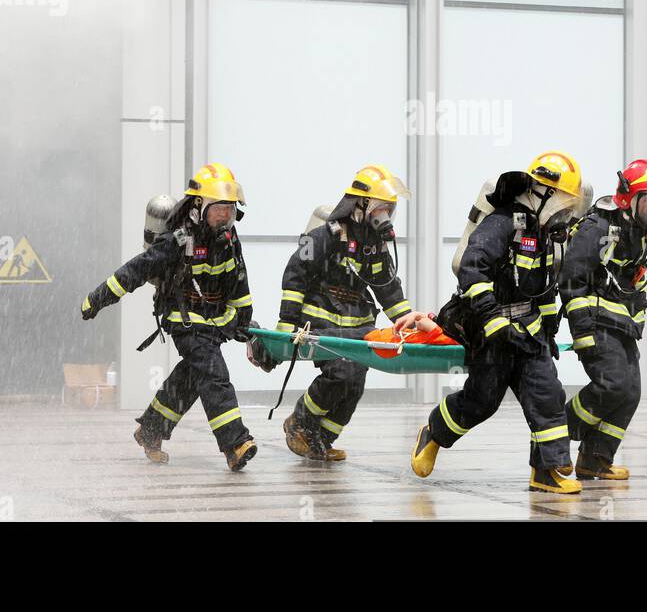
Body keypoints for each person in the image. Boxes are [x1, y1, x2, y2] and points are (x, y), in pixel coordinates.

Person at [402, 151, 584, 494]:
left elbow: (545, 288)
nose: (564, 212)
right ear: (540, 193)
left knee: (547, 395)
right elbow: (472, 268)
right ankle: (433, 433)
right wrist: (491, 317)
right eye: (562, 201)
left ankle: (547, 471)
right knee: (482, 402)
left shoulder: (545, 235)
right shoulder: (502, 222)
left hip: (527, 332)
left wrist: (547, 332)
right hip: (490, 330)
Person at [80, 163, 258, 471]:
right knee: (213, 372)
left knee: (191, 377)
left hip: (214, 321)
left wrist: (243, 322)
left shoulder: (229, 238)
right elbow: (138, 269)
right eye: (219, 209)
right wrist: (97, 299)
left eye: (230, 210)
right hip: (185, 319)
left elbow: (240, 282)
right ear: (199, 206)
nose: (225, 216)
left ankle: (151, 429)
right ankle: (235, 443)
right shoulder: (179, 239)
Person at [276, 164, 413, 461]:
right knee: (342, 372)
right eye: (380, 208)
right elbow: (295, 274)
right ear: (359, 205)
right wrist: (287, 322)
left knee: (355, 383)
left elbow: (389, 290)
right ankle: (299, 421)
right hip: (321, 323)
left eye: (389, 209)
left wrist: (409, 326)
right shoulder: (323, 236)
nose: (385, 215)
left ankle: (320, 440)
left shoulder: (377, 246)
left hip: (357, 328)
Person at [559, 158, 647, 480]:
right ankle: (554, 438)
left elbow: (633, 283)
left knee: (630, 391)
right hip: (596, 324)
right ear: (628, 198)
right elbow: (571, 280)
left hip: (622, 326)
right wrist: (583, 333)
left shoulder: (640, 232)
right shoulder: (598, 227)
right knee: (613, 385)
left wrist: (638, 320)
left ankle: (595, 459)